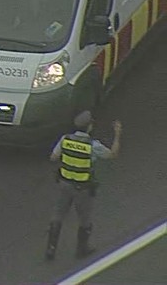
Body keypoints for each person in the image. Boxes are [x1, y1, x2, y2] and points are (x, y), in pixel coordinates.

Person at [45, 111, 122, 260]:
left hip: (64, 183)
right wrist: (117, 134)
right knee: (84, 220)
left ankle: (50, 248)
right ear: (89, 127)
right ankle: (82, 249)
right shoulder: (92, 145)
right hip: (82, 188)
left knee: (58, 215)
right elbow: (112, 154)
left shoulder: (65, 140)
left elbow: (53, 157)